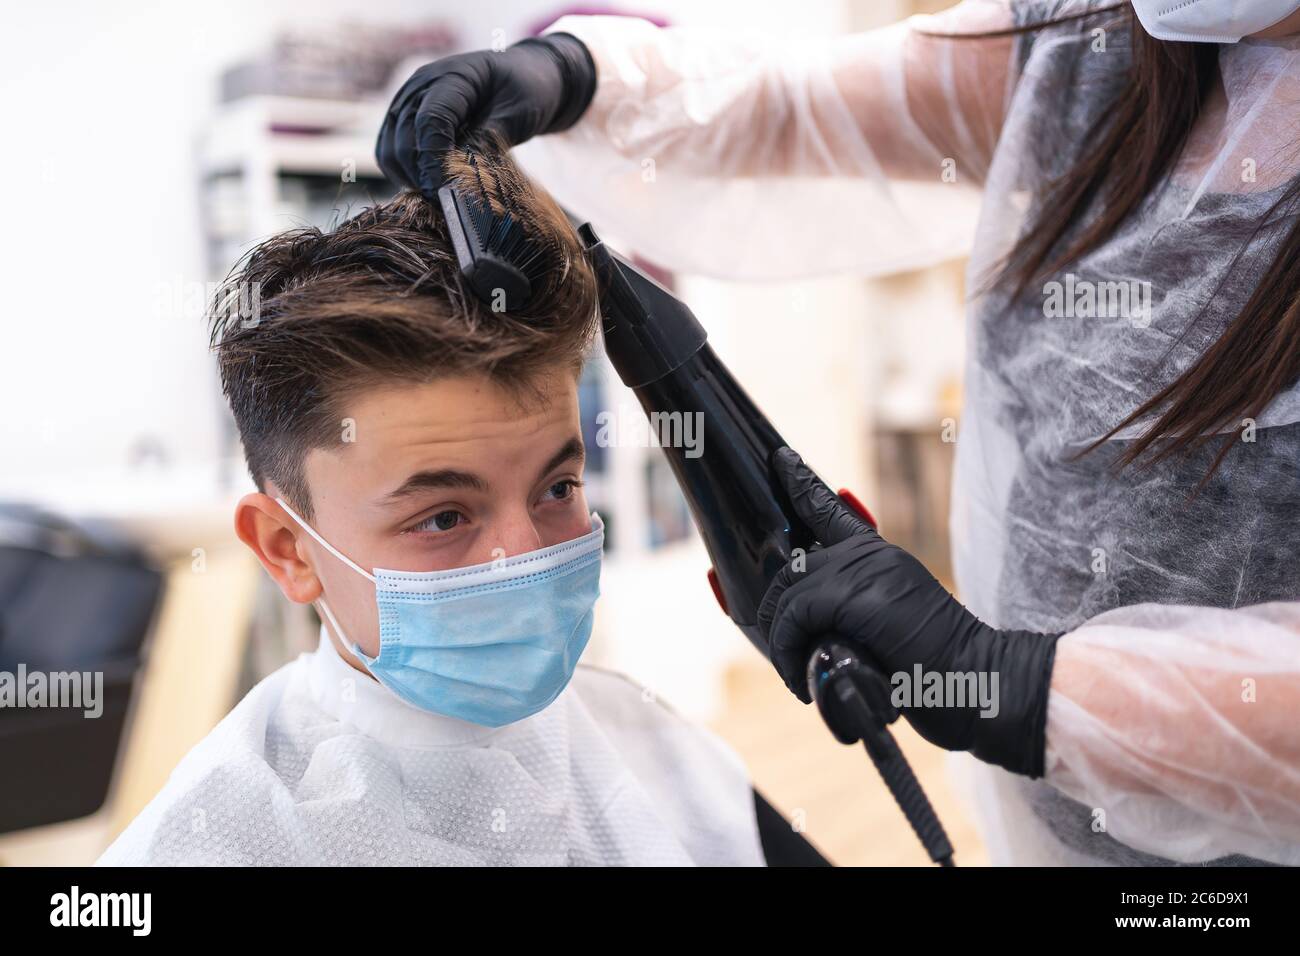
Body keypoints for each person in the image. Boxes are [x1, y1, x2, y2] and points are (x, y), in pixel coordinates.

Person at [374, 0, 1300, 866]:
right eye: (440, 514)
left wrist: (1014, 682)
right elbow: (781, 107)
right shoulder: (1096, 47)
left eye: (558, 486)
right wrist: (576, 75)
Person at [96, 143, 765, 866]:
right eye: (443, 517)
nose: (528, 556)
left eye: (557, 489)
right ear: (289, 549)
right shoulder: (206, 844)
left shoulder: (654, 746)